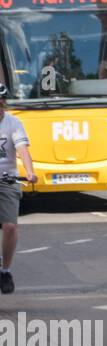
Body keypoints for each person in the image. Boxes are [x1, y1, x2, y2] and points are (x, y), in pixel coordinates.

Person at [0, 84, 35, 294]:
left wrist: (30, 172)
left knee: (10, 226)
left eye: (1, 102)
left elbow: (22, 150)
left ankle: (5, 270)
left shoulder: (13, 123)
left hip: (7, 179)